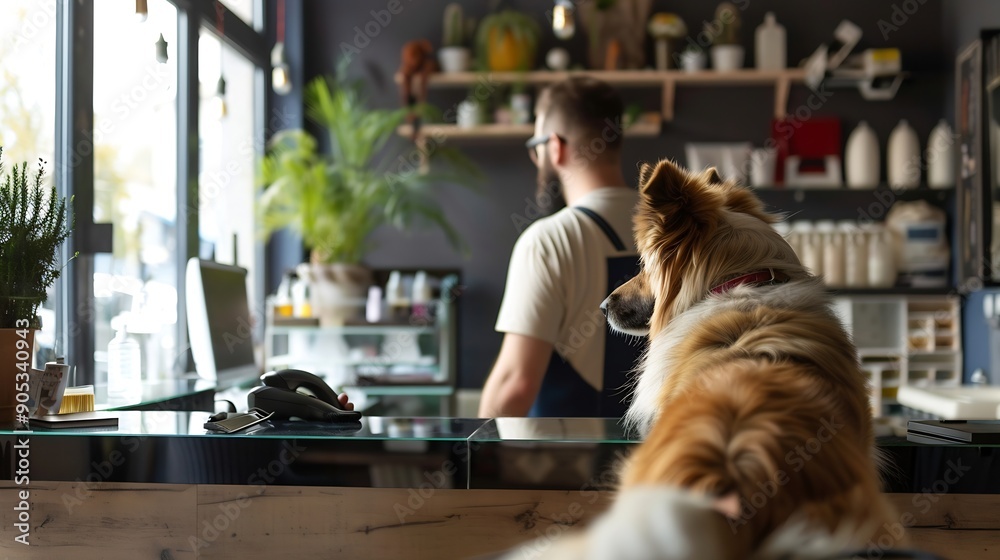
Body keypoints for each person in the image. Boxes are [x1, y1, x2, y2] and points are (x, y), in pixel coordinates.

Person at [478, 77, 641, 418]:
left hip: (570, 466)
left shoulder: (549, 241)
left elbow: (515, 386)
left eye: (536, 145)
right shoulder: (674, 230)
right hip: (663, 457)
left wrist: (468, 461)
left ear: (555, 147)